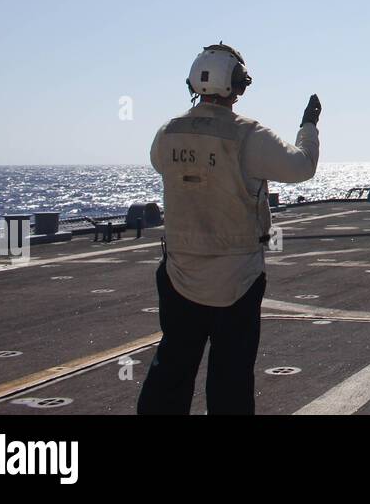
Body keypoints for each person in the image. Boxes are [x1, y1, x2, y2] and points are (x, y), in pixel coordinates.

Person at [137, 42, 321, 415]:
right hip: (237, 277)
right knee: (230, 378)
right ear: (237, 85)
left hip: (179, 273)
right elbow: (301, 168)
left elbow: (164, 166)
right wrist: (309, 127)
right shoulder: (248, 136)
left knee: (172, 368)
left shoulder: (166, 134)